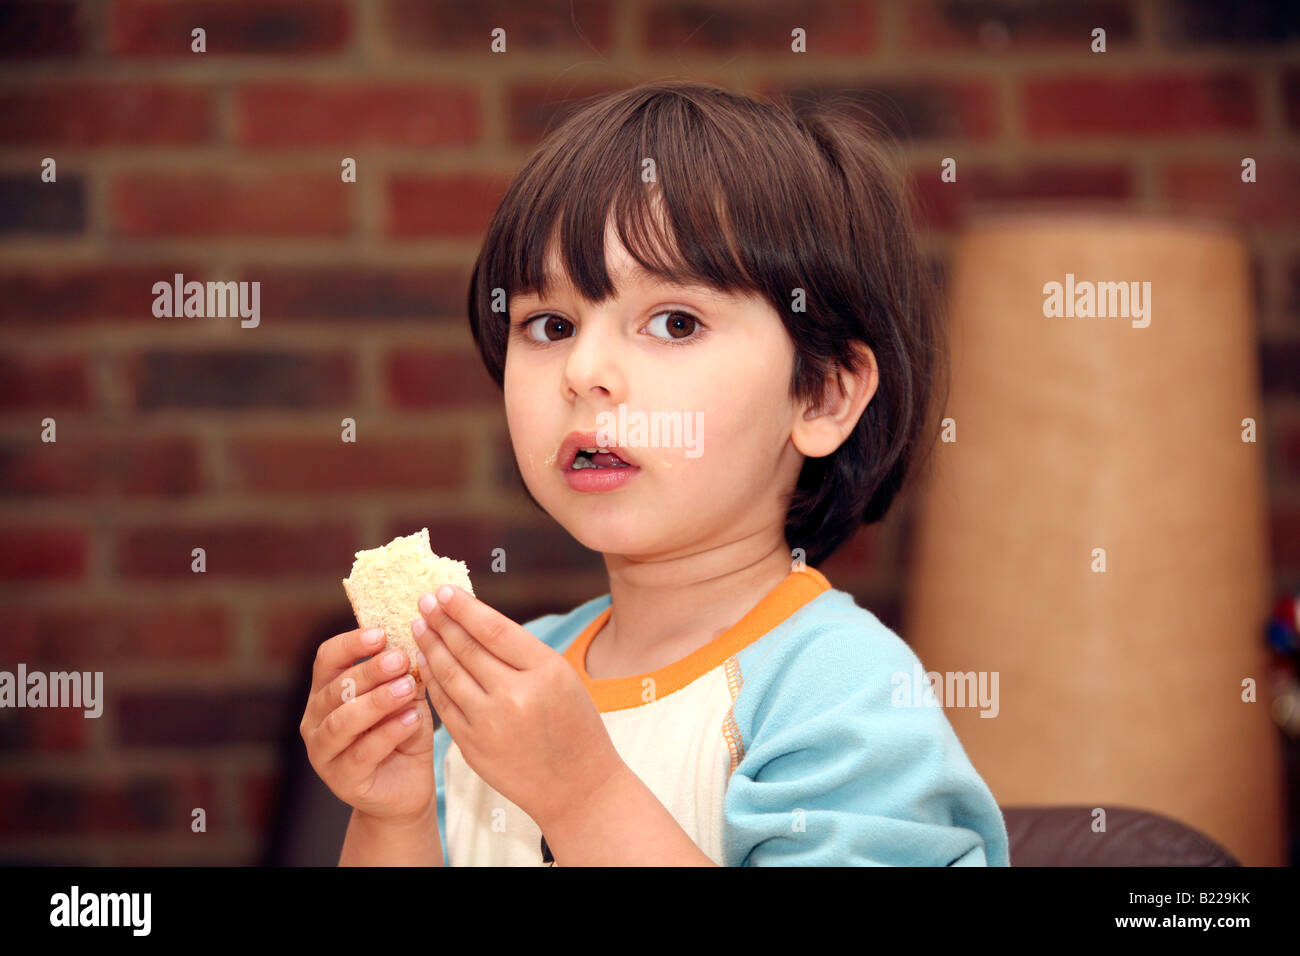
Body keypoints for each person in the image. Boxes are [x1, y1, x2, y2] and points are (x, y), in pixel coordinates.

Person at [301, 79, 1010, 867]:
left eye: (675, 323)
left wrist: (585, 796)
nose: (586, 370)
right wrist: (391, 817)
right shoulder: (507, 677)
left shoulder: (843, 692)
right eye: (551, 324)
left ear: (822, 394)